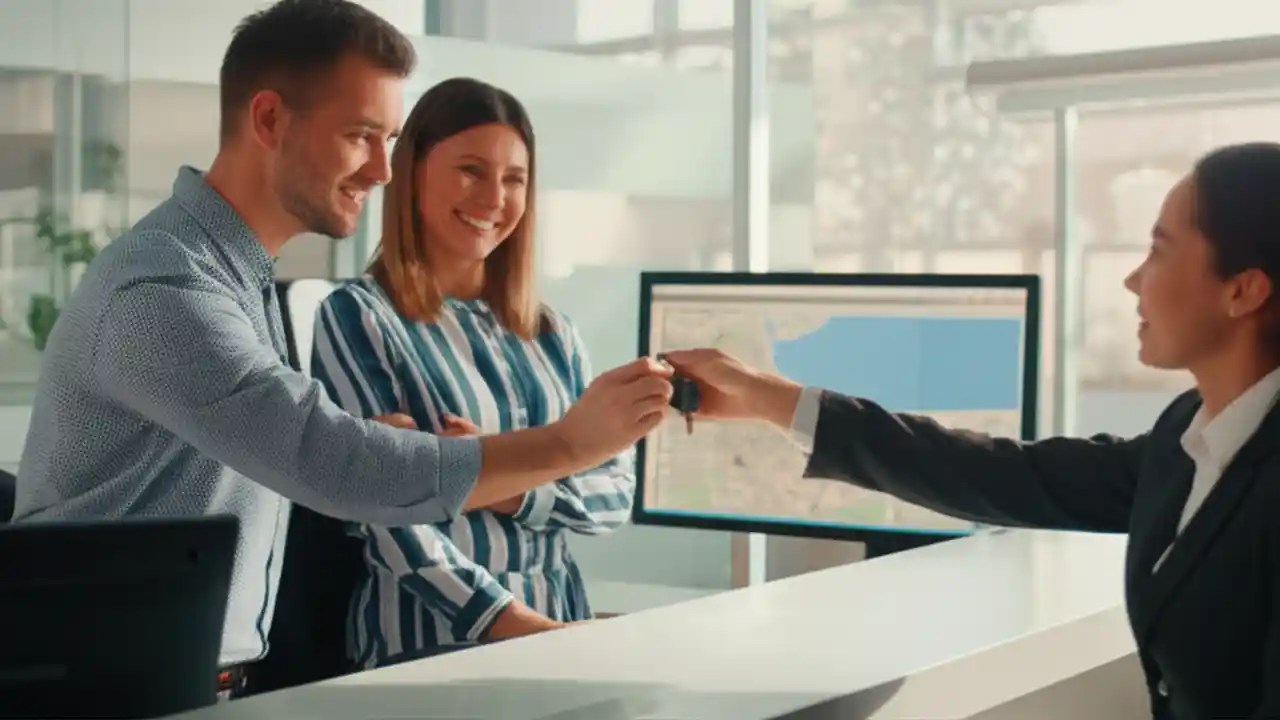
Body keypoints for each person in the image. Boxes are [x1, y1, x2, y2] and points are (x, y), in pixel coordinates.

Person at [12, 0, 671, 693]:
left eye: (390, 138)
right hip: (97, 684)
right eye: (362, 135)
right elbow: (339, 467)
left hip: (169, 673)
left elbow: (280, 459)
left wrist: (363, 446)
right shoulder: (166, 289)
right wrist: (570, 443)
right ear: (268, 120)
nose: (385, 170)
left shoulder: (240, 279)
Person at [663, 142, 1280, 720]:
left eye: (1160, 250)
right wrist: (769, 397)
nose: (1132, 279)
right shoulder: (1189, 435)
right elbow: (1001, 473)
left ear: (1243, 290)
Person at [310, 77, 635, 668]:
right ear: (411, 176)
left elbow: (614, 495)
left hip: (558, 630)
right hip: (428, 644)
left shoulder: (553, 335)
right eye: (470, 170)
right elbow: (389, 515)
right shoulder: (359, 316)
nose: (494, 197)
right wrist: (519, 627)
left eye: (514, 178)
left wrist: (508, 488)